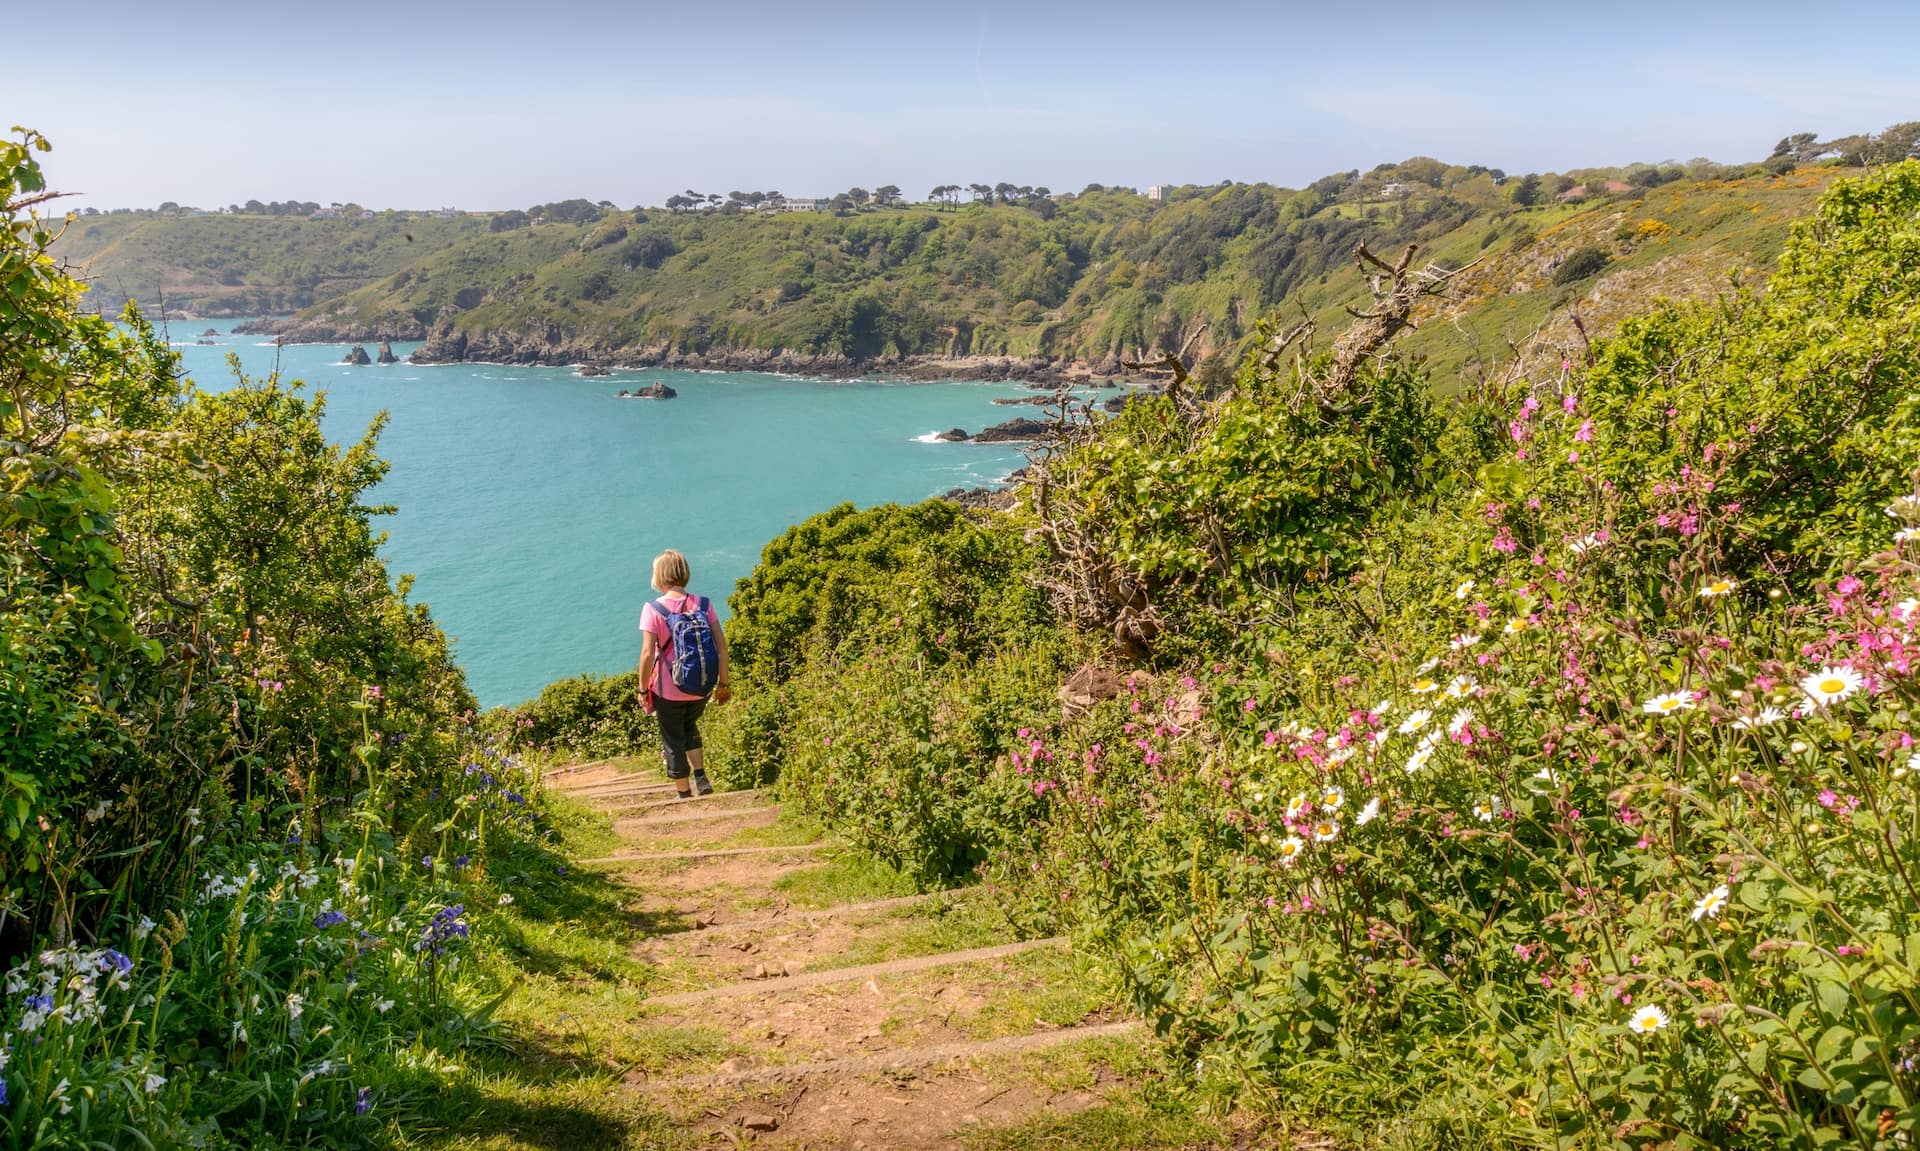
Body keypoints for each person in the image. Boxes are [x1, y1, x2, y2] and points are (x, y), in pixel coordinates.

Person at [637, 550, 731, 798]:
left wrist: (643, 689)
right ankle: (701, 777)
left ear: (660, 576)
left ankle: (684, 794)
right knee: (689, 727)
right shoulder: (704, 604)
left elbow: (647, 653)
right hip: (701, 686)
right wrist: (724, 684)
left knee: (672, 739)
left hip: (669, 690)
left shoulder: (653, 609)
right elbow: (722, 647)